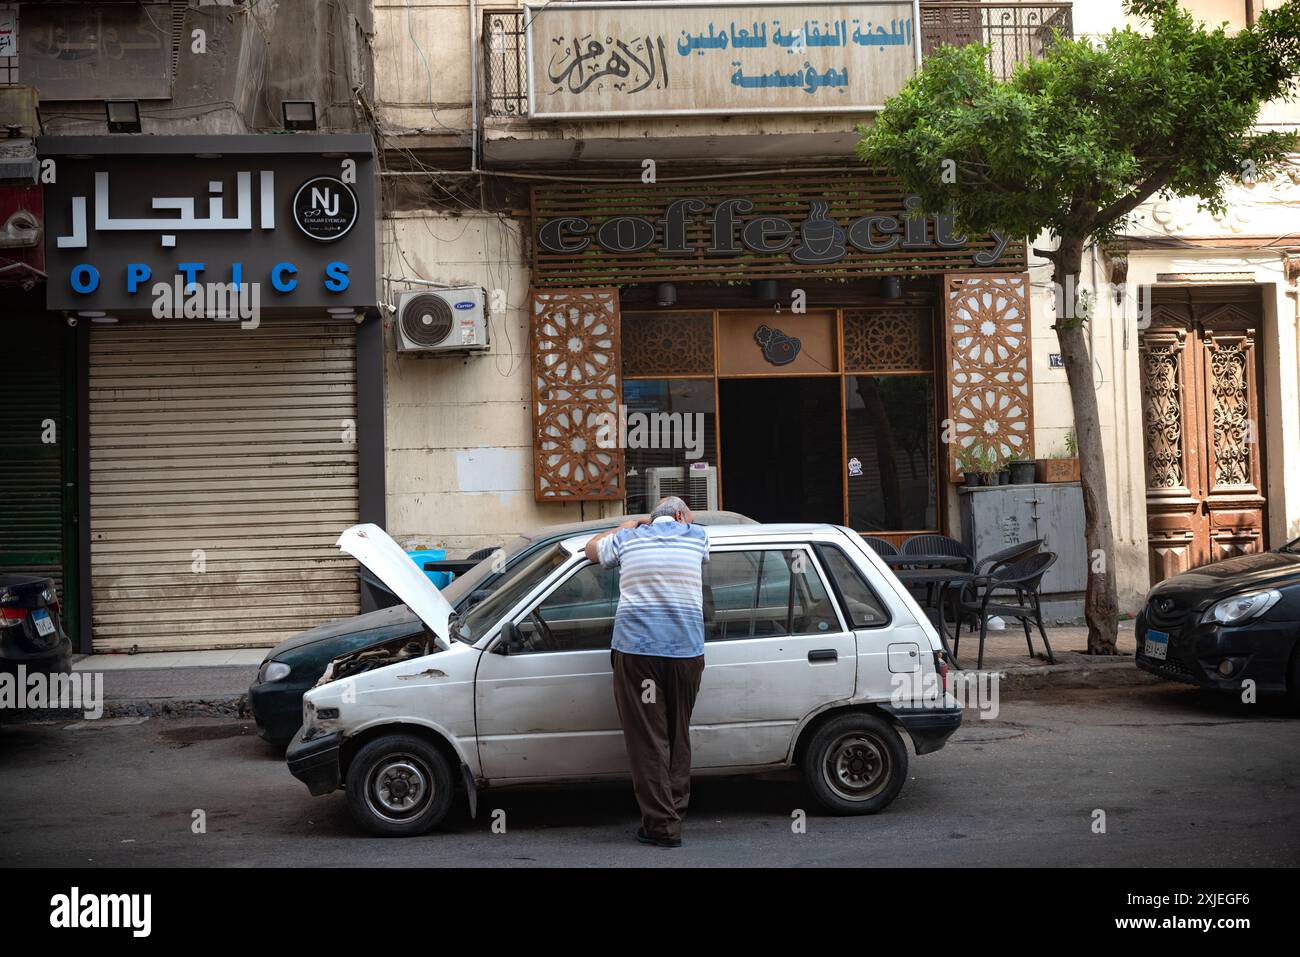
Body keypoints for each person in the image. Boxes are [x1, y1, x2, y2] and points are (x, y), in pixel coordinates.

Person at [585, 496, 709, 848]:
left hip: (639, 655)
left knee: (648, 740)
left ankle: (662, 827)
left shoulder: (627, 540)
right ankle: (675, 811)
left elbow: (590, 551)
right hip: (686, 653)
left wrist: (624, 527)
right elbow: (689, 541)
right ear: (682, 516)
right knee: (677, 733)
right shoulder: (698, 536)